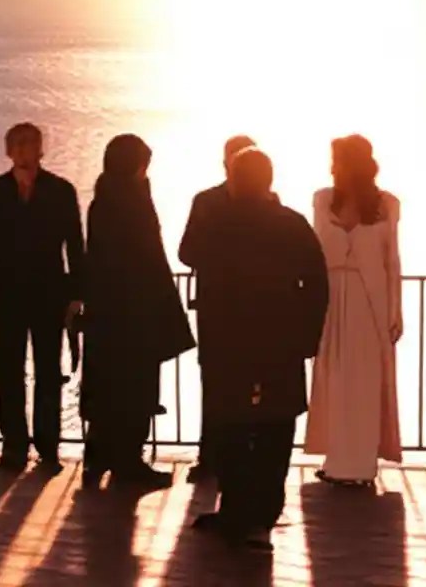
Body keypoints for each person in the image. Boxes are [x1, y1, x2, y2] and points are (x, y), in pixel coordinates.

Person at [186, 148, 329, 551]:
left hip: (227, 345)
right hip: (279, 345)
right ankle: (262, 514)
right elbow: (317, 284)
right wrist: (307, 338)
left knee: (229, 425)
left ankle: (235, 508)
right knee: (275, 428)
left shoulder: (215, 222)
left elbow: (189, 255)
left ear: (232, 178)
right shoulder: (291, 224)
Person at [81, 134, 194, 488]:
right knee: (135, 391)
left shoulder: (102, 202)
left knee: (105, 390)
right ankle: (128, 461)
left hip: (107, 316)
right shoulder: (133, 203)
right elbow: (148, 259)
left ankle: (98, 459)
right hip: (136, 317)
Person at [0, 123, 85, 472]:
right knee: (8, 372)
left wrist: (77, 293)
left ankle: (48, 447)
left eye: (30, 145)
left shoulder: (61, 190)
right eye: (18, 145)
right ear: (9, 152)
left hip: (49, 293)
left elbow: (75, 245)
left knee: (49, 372)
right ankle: (14, 445)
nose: (24, 151)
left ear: (40, 149)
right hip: (6, 295)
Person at [304, 135, 404, 487]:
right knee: (334, 378)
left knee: (364, 381)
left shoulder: (387, 205)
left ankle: (361, 465)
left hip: (369, 301)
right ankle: (336, 461)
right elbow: (312, 254)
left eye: (339, 160)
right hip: (331, 299)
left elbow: (392, 260)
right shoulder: (322, 200)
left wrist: (396, 310)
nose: (334, 167)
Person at [178, 134, 256, 483]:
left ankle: (242, 453)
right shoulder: (205, 201)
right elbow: (186, 251)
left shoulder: (264, 202)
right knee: (214, 380)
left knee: (248, 382)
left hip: (247, 307)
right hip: (215, 306)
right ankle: (210, 454)